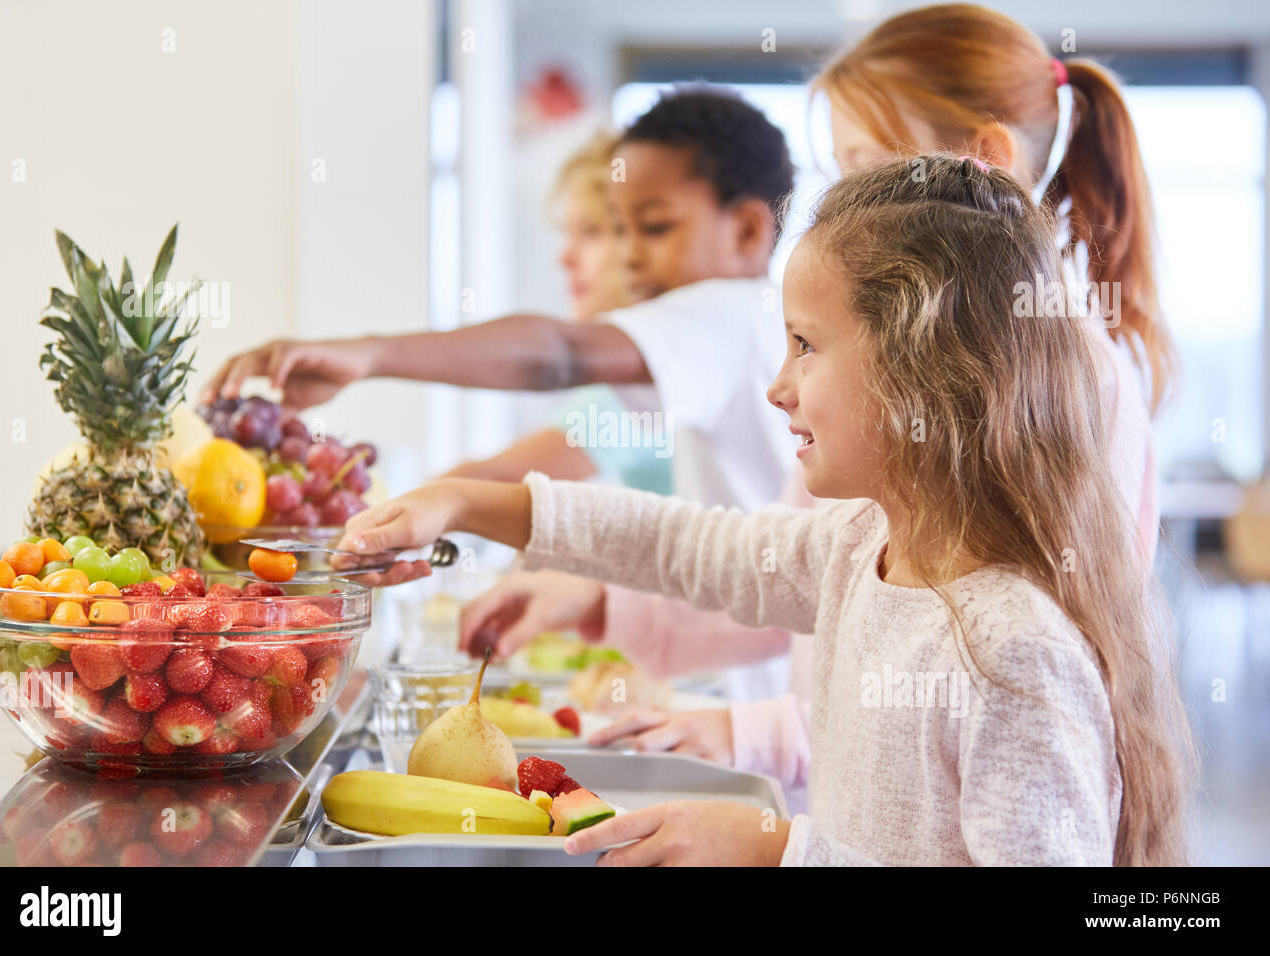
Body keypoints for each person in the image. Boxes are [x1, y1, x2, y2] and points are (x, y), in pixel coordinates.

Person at [339, 155, 1193, 866]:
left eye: (807, 346)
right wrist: (462, 502)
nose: (778, 387)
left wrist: (775, 846)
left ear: (927, 374)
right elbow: (689, 546)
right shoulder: (864, 547)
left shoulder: (1015, 650)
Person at [457, 2, 1179, 787]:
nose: (846, 207)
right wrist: (601, 599)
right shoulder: (887, 375)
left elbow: (1001, 692)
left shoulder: (1072, 381)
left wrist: (758, 737)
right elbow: (790, 568)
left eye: (869, 169)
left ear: (985, 161)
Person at [200, 88, 795, 515]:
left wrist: (371, 353)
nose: (631, 256)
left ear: (747, 231)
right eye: (618, 230)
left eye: (657, 228)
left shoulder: (728, 313)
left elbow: (557, 354)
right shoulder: (739, 324)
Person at [441, 129, 670, 494]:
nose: (565, 257)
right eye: (568, 233)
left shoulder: (639, 382)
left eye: (591, 232)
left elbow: (494, 481)